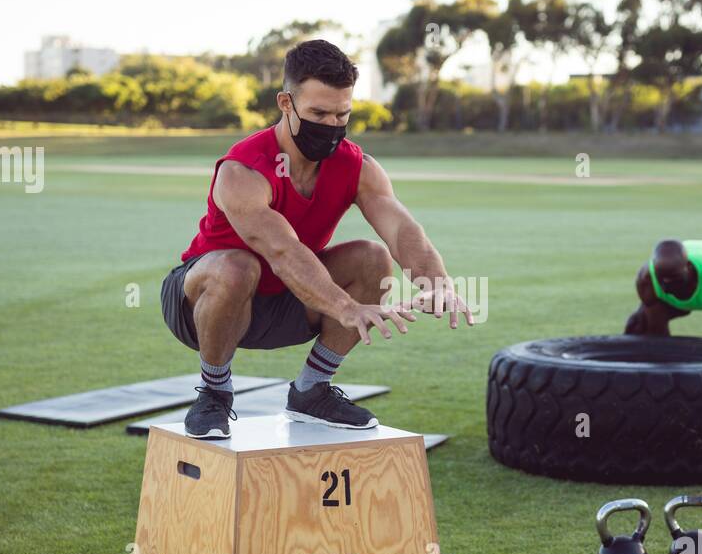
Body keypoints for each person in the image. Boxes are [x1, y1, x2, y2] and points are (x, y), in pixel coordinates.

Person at [161, 40, 473, 438]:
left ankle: (311, 391)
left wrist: (437, 283)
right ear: (286, 103)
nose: (330, 125)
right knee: (238, 266)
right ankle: (214, 393)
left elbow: (401, 228)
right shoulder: (244, 169)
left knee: (372, 258)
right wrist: (346, 308)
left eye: (342, 114)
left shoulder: (357, 166)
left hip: (286, 301)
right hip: (201, 302)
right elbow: (281, 249)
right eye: (318, 113)